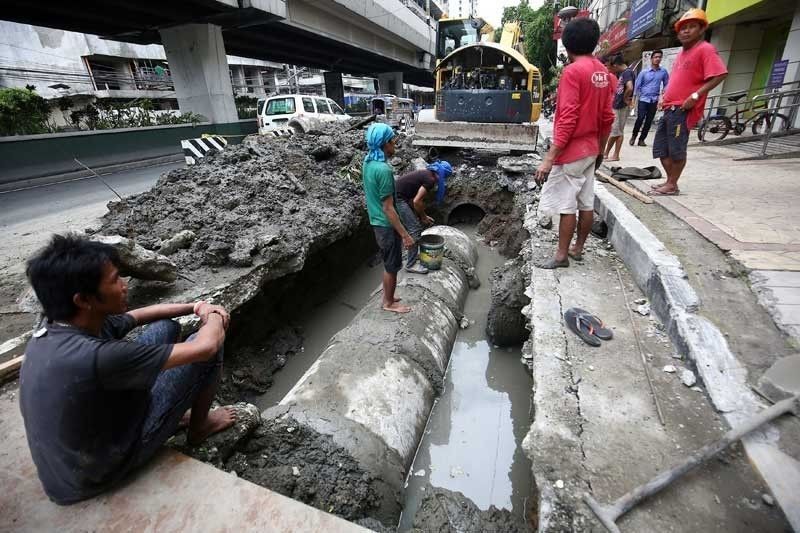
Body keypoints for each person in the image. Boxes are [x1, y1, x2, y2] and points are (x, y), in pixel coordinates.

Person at [19, 234, 235, 505]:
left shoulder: (62, 325)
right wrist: (215, 315)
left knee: (165, 327)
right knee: (208, 348)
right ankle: (200, 426)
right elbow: (204, 348)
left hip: (77, 456)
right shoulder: (98, 357)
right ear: (84, 299)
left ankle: (172, 414)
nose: (124, 286)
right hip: (100, 470)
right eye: (115, 280)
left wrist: (197, 306)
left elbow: (139, 315)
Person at [535, 17, 615, 269]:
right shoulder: (604, 73)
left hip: (572, 151)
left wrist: (549, 158)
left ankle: (561, 256)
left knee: (566, 204)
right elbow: (607, 117)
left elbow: (568, 119)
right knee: (586, 201)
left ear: (567, 43)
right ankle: (577, 249)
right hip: (591, 148)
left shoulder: (572, 72)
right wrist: (600, 150)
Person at [650, 8, 727, 196]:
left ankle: (672, 184)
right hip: (669, 108)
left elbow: (720, 74)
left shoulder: (705, 49)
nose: (685, 31)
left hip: (683, 109)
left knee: (676, 149)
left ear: (701, 29)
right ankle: (670, 182)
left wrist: (695, 96)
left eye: (691, 27)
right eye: (683, 28)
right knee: (661, 148)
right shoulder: (682, 53)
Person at [362, 122, 414, 313]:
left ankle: (389, 296)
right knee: (391, 266)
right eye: (393, 141)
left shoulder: (368, 162)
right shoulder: (383, 170)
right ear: (384, 144)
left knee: (389, 263)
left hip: (376, 221)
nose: (395, 145)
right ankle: (388, 303)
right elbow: (389, 209)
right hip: (385, 224)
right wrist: (405, 235)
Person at [395, 160, 453, 274]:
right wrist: (423, 216)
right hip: (399, 199)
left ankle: (412, 252)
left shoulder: (426, 173)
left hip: (401, 196)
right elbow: (417, 201)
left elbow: (413, 198)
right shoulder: (430, 180)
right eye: (443, 178)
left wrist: (419, 215)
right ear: (441, 174)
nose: (440, 181)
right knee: (415, 228)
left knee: (414, 224)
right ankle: (410, 265)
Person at [630, 49, 669, 146]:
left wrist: (662, 97)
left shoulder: (663, 72)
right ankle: (634, 135)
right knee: (640, 118)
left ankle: (641, 139)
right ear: (651, 59)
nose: (658, 59)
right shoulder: (644, 72)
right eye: (656, 57)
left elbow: (667, 85)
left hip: (654, 100)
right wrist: (633, 101)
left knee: (649, 121)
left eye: (659, 57)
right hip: (643, 99)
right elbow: (637, 86)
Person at [603, 55, 635, 162]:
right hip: (619, 105)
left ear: (616, 65)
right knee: (619, 132)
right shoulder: (624, 73)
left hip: (620, 106)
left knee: (615, 132)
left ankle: (605, 153)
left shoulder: (627, 73)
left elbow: (630, 87)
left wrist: (625, 98)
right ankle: (614, 155)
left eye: (612, 67)